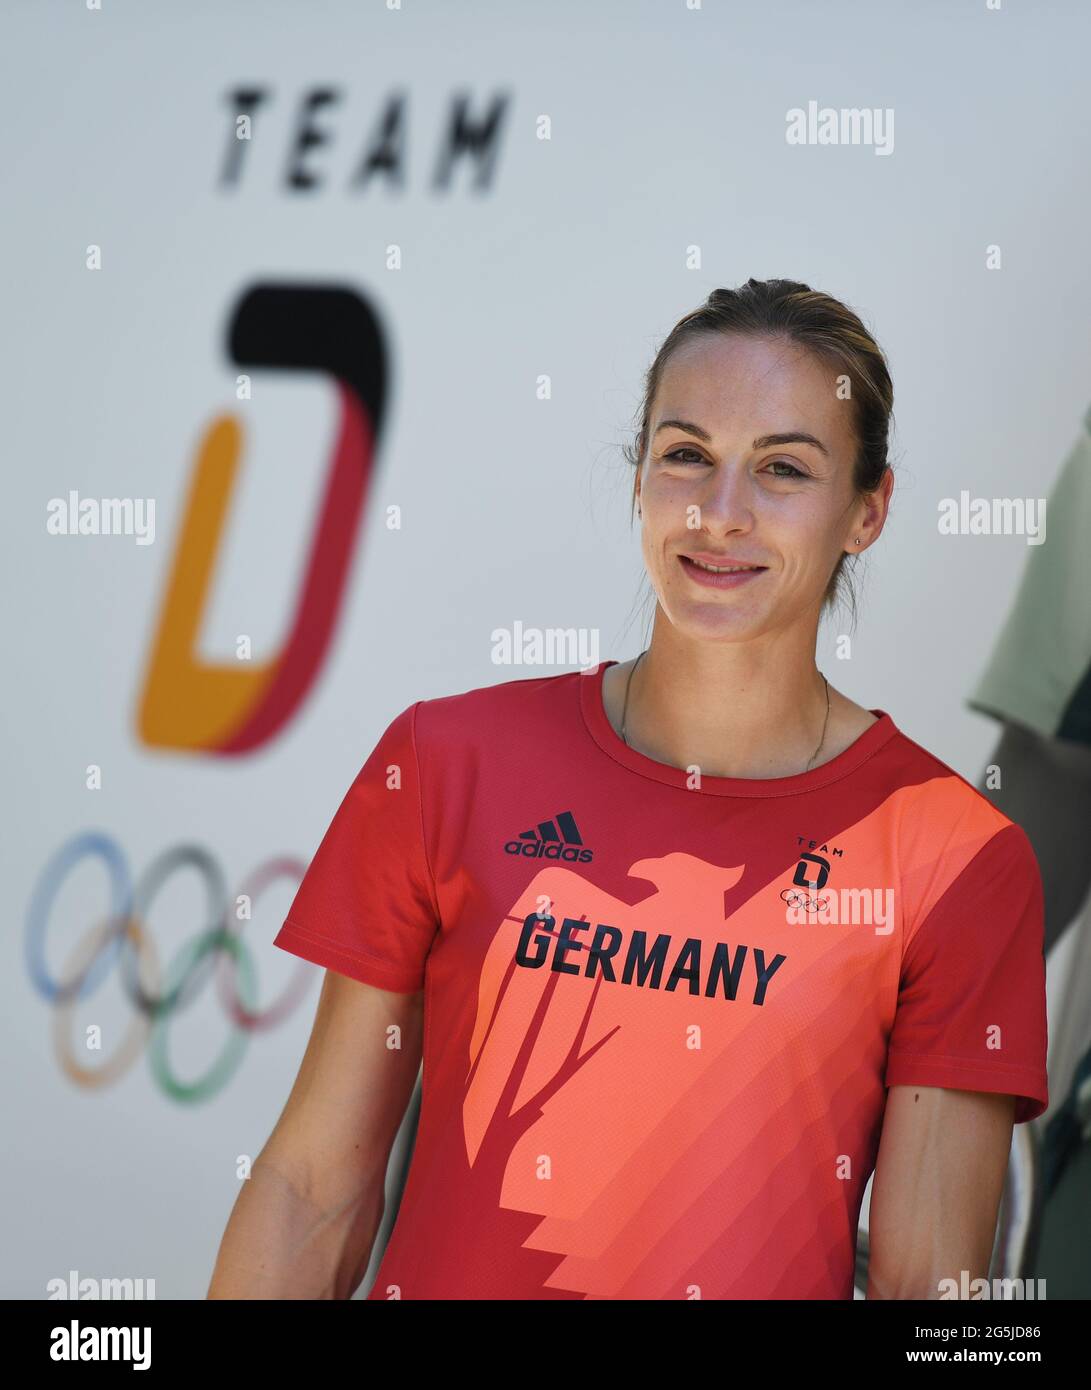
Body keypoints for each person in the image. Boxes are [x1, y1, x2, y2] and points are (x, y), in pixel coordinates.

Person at [207, 277, 1049, 1301]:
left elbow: (930, 1292)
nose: (719, 512)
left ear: (865, 511)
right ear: (639, 477)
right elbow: (311, 1188)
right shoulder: (444, 762)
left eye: (781, 468)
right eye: (685, 455)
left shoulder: (953, 859)